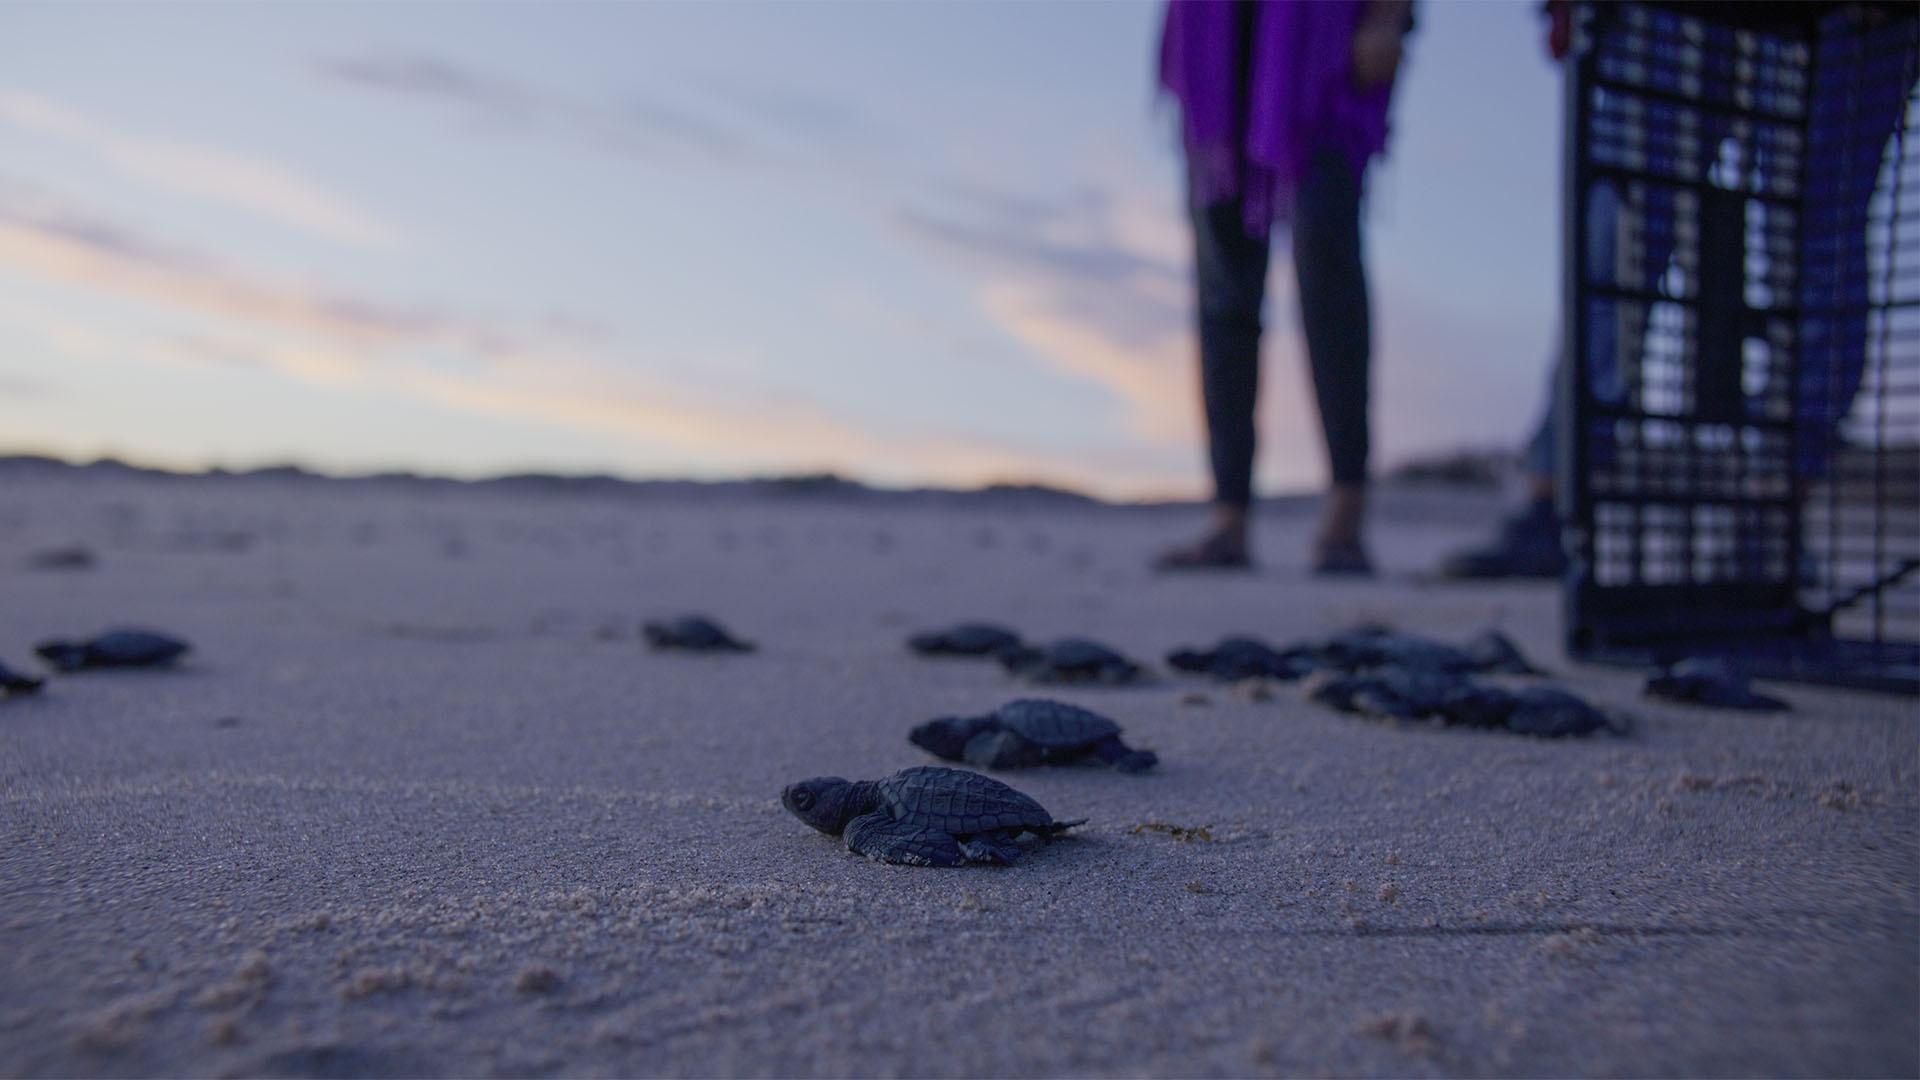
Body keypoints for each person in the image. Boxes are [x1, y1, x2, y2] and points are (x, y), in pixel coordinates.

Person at [1441, 0, 1917, 580]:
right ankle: (1557, 502)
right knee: (1620, 229)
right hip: (1660, 16)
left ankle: (1773, 516)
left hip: (1834, 20)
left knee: (1816, 234)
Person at [1154, 0, 1414, 576]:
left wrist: (1388, 16)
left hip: (1321, 44)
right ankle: (1229, 515)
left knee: (1327, 267)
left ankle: (1347, 508)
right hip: (1216, 45)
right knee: (1223, 289)